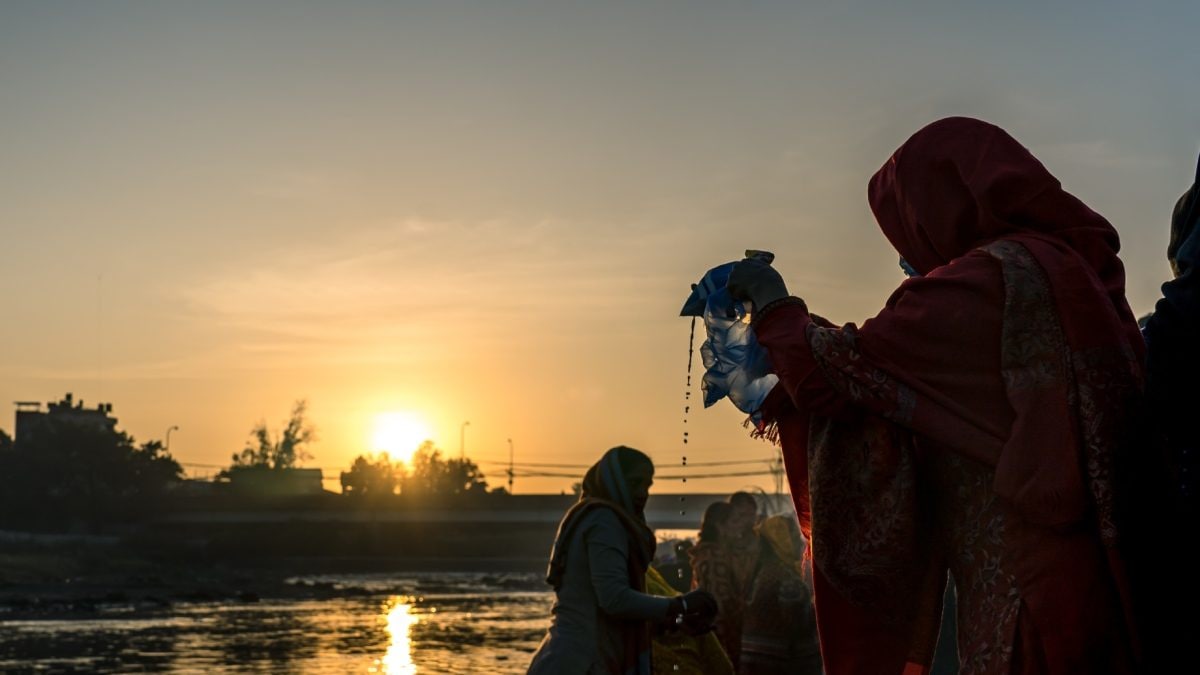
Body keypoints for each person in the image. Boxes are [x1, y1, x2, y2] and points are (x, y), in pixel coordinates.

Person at [726, 117, 1145, 674]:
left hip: (1023, 594)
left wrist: (771, 300)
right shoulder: (1069, 271)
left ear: (938, 204)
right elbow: (878, 368)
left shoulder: (985, 281)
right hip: (1111, 574)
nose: (906, 252)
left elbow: (833, 378)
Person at [529, 446, 718, 675]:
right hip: (582, 661)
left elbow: (610, 610)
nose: (642, 493)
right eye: (634, 483)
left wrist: (673, 621)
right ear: (613, 482)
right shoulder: (604, 521)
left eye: (647, 485)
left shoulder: (598, 517)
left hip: (573, 656)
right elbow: (614, 599)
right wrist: (680, 605)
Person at [738, 514, 823, 675]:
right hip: (783, 663)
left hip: (755, 662)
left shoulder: (757, 573)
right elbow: (799, 625)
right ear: (783, 542)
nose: (800, 544)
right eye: (794, 537)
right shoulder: (788, 580)